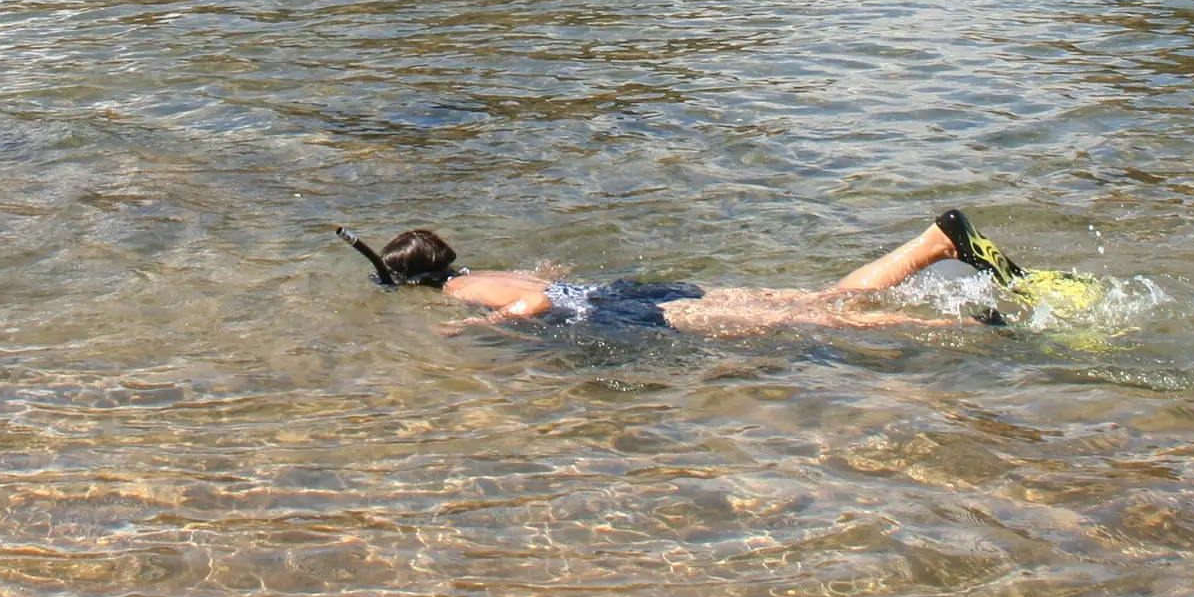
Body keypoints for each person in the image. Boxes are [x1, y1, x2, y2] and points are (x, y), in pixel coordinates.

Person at [332, 209, 1041, 335]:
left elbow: (533, 307)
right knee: (803, 298)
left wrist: (481, 332)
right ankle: (935, 245)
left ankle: (971, 330)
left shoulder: (459, 292)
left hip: (618, 313)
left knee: (804, 319)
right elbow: (545, 277)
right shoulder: (482, 269)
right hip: (624, 292)